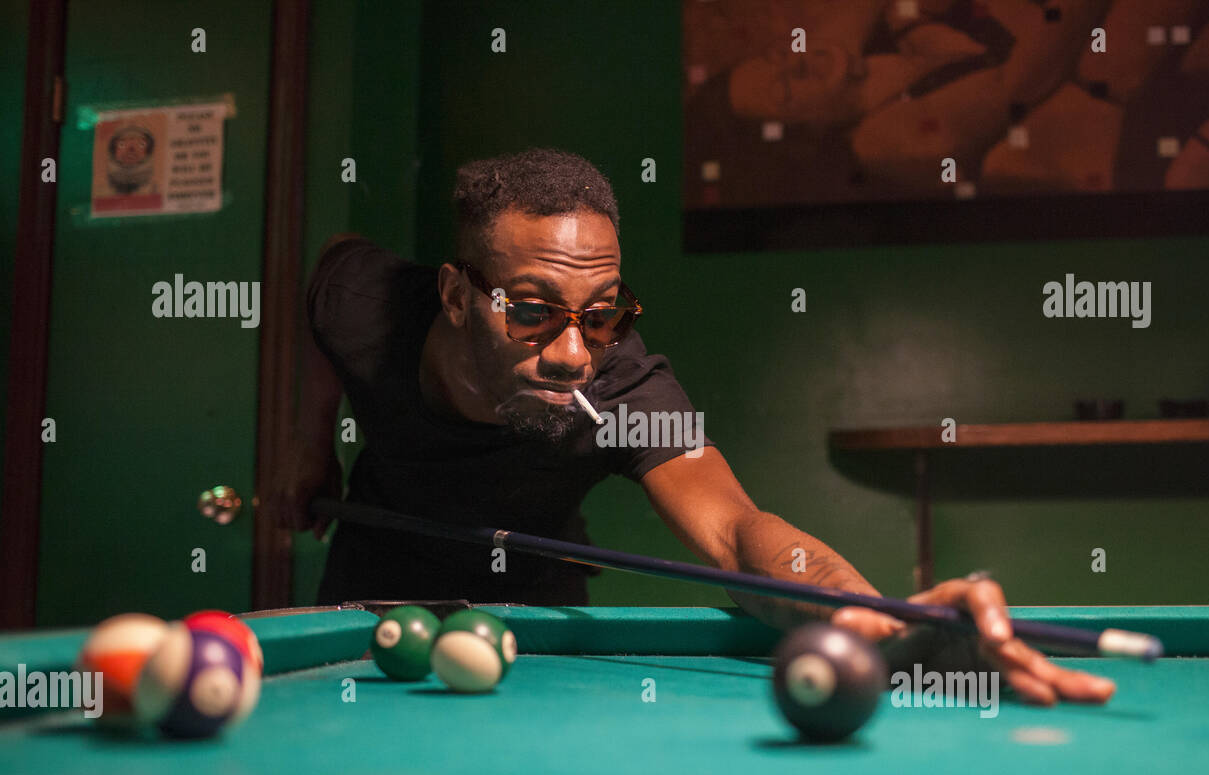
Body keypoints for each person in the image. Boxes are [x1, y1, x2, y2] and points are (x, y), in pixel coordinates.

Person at [277, 147, 1114, 706]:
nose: (574, 353)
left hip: (528, 614)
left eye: (600, 313)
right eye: (532, 312)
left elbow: (737, 530)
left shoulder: (624, 387)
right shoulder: (369, 305)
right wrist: (311, 446)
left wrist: (866, 612)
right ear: (459, 296)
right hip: (372, 592)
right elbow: (325, 275)